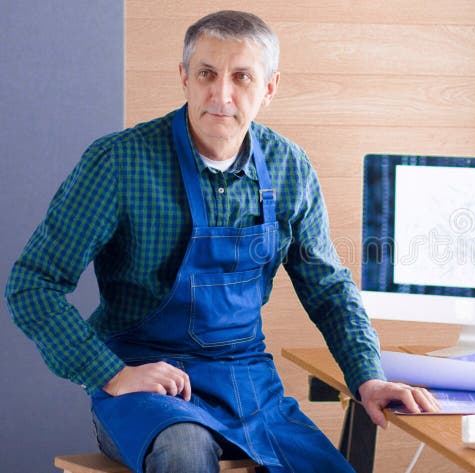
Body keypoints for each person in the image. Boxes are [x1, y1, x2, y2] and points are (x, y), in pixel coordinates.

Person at [5, 10, 438, 473]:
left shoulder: (290, 167)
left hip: (248, 384)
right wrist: (111, 373)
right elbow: (32, 284)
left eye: (242, 77)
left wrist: (368, 378)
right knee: (185, 449)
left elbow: (329, 289)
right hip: (147, 391)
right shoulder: (119, 163)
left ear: (269, 88)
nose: (222, 94)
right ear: (184, 78)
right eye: (207, 73)